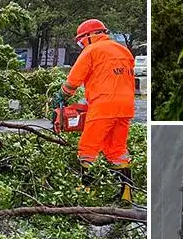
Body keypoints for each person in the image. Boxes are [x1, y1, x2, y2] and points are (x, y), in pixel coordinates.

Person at [55, 19, 136, 204]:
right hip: (126, 107)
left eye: (80, 40)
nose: (80, 44)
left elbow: (73, 81)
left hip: (103, 106)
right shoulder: (123, 50)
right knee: (118, 151)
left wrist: (62, 96)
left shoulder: (91, 51)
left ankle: (86, 192)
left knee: (87, 149)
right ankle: (127, 194)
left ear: (90, 36)